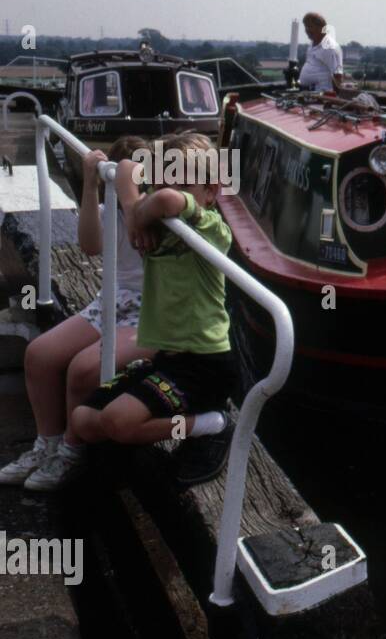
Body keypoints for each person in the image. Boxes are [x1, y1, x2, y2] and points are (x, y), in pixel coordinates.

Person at [71, 132, 237, 487]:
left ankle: (214, 424)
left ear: (211, 192)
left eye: (186, 179)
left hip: (204, 365)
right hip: (167, 359)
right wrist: (138, 212)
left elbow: (164, 200)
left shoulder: (211, 229)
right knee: (83, 419)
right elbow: (129, 166)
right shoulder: (156, 230)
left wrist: (133, 213)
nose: (172, 183)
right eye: (166, 173)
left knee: (118, 421)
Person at [0, 136, 152, 492]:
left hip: (150, 309)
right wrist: (91, 184)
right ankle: (47, 445)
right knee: (39, 354)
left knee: (84, 368)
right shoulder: (111, 209)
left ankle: (71, 451)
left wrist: (135, 202)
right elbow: (89, 245)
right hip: (113, 300)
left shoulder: (156, 214)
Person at [298, 12, 347, 94]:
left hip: (322, 96)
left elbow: (337, 76)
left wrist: (335, 99)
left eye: (310, 26)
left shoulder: (330, 47)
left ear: (320, 28)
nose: (307, 30)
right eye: (306, 27)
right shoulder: (312, 44)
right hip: (309, 93)